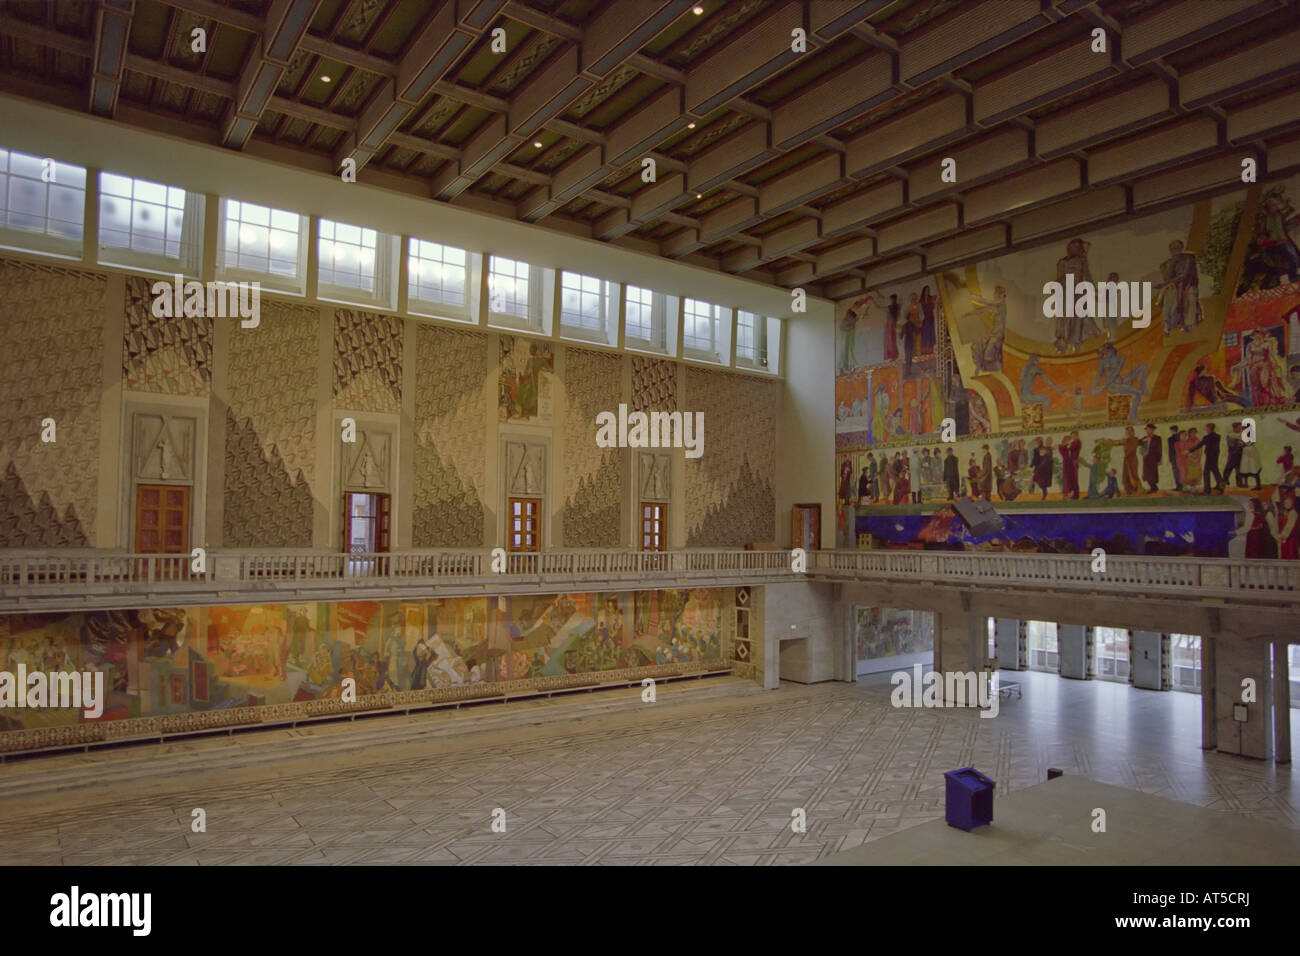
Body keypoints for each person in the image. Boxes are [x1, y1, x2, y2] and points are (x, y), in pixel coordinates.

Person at [1157, 239, 1202, 334]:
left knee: (1190, 295)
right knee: (1168, 295)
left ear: (1181, 248)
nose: (1175, 250)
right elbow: (1167, 278)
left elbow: (1184, 275)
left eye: (1177, 248)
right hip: (1174, 286)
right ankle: (1167, 322)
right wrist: (1172, 264)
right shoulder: (1165, 264)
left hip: (1188, 284)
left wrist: (1167, 283)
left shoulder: (1188, 259)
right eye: (1173, 249)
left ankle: (1189, 323)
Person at [1190, 423, 1224, 494]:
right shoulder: (1217, 436)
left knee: (1206, 473)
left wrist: (1190, 450)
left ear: (1209, 429)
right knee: (1215, 471)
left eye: (1207, 428)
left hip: (1209, 457)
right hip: (1215, 456)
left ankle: (1207, 490)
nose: (1206, 429)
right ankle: (1221, 487)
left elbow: (1199, 445)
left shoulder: (1207, 437)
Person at [1267, 491, 1299, 560]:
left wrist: (1282, 535)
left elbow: (1289, 526)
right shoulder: (1285, 512)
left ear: (1292, 503)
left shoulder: (1293, 512)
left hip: (1290, 537)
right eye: (1285, 503)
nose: (1287, 504)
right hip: (1284, 538)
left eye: (1288, 503)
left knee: (1290, 554)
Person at [1119, 425, 1142, 496]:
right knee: (1125, 477)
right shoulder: (1125, 440)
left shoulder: (1135, 439)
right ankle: (1129, 491)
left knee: (1133, 476)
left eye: (1130, 431)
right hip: (1126, 460)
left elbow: (1131, 450)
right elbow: (1118, 442)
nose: (1128, 432)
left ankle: (1137, 491)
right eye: (1127, 431)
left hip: (1132, 460)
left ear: (1133, 432)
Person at [1060, 431, 1082, 499]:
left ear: (1077, 436)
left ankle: (1076, 495)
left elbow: (1071, 448)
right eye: (1072, 436)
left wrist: (1066, 444)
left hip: (1074, 462)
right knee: (1072, 480)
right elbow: (1066, 448)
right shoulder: (1073, 442)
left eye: (1074, 436)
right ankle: (1074, 495)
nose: (1073, 437)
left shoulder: (1077, 442)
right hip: (1070, 463)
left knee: (1075, 479)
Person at [1141, 423, 1162, 493]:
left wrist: (1159, 459)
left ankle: (1153, 488)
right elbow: (1138, 443)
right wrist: (1143, 441)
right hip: (1146, 459)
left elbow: (1159, 449)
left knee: (1153, 474)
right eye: (1146, 430)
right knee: (1146, 475)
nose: (1147, 431)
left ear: (1152, 430)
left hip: (1153, 459)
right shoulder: (1144, 438)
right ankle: (1154, 487)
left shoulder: (1157, 438)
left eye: (1149, 430)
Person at [884, 294, 900, 361]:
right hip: (889, 325)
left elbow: (898, 317)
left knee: (892, 341)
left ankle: (893, 356)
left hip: (892, 325)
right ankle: (891, 356)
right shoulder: (890, 307)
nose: (891, 301)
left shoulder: (896, 307)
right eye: (891, 299)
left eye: (892, 299)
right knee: (889, 341)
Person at [1167, 425, 1183, 491]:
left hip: (1175, 457)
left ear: (1172, 430)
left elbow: (1171, 450)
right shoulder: (1180, 437)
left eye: (1171, 430)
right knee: (1180, 471)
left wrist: (1170, 458)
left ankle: (1179, 486)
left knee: (1176, 472)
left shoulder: (1170, 439)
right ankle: (1180, 486)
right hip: (1179, 457)